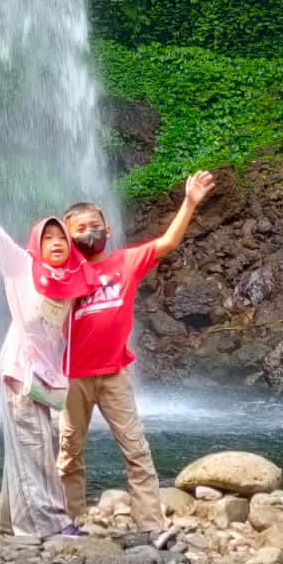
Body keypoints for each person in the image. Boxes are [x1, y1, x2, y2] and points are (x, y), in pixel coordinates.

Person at [57, 170, 216, 540]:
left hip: (113, 375)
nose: (88, 233)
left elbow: (169, 241)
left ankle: (151, 526)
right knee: (69, 454)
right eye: (79, 229)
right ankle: (67, 521)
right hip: (72, 378)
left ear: (108, 230)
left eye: (94, 225)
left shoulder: (126, 262)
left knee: (137, 450)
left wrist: (190, 201)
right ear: (68, 236)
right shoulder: (63, 276)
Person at [0, 172, 98, 539]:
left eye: (62, 238)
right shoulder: (22, 267)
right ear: (37, 245)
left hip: (45, 375)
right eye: (49, 238)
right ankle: (49, 524)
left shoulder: (72, 281)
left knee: (26, 445)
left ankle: (10, 523)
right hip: (20, 370)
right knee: (36, 445)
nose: (57, 243)